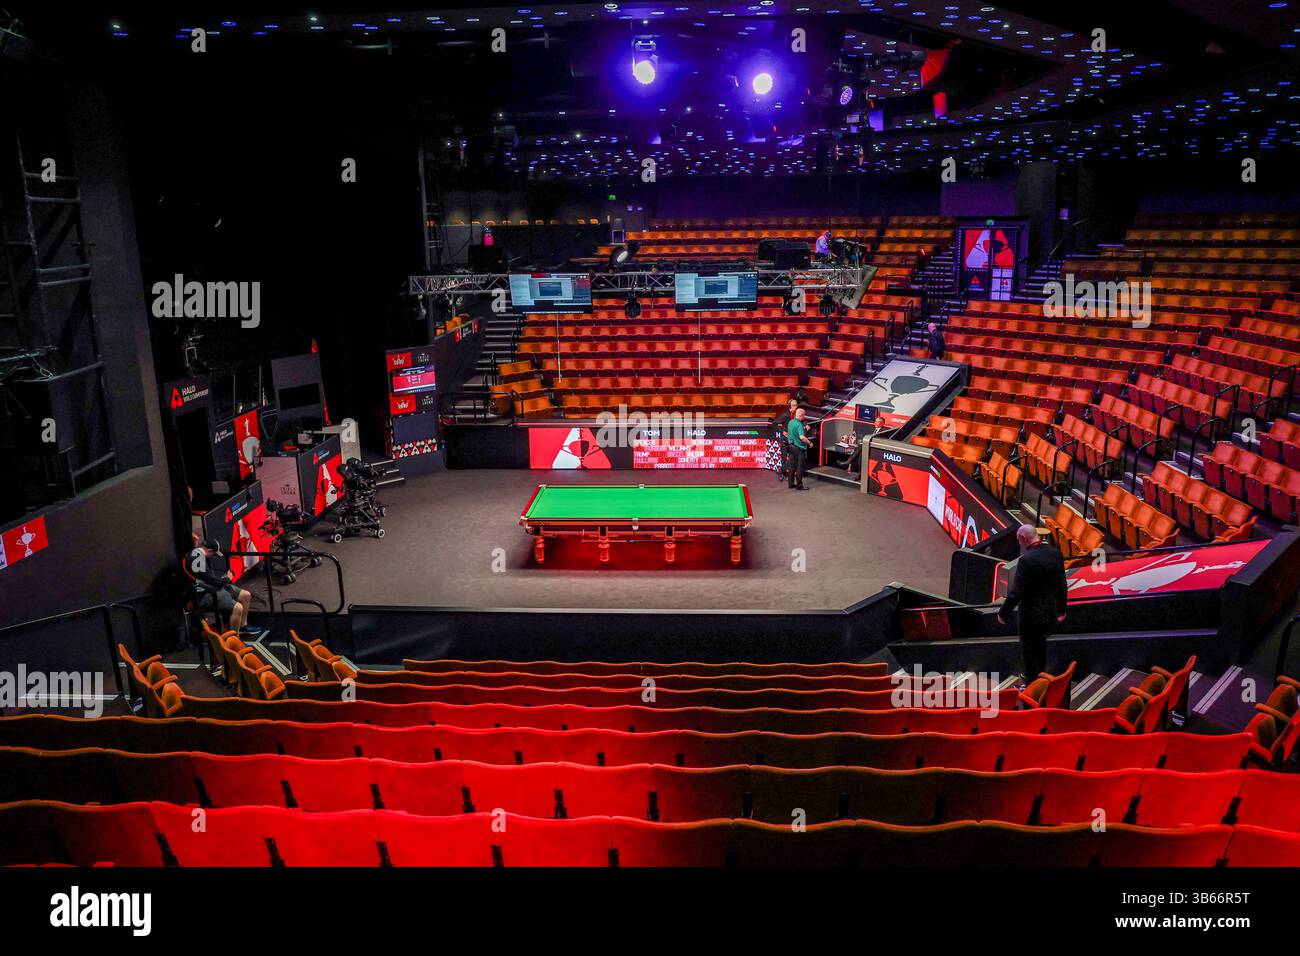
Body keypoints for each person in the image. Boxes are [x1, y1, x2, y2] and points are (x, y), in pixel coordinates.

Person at [997, 525, 1068, 687]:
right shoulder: (1055, 554)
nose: (1019, 544)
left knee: (1028, 650)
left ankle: (1030, 684)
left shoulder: (1026, 560)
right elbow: (1061, 584)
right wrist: (1062, 609)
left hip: (1030, 615)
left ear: (1024, 538)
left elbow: (1017, 592)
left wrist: (1003, 613)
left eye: (1019, 540)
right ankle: (1041, 678)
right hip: (1049, 612)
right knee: (1041, 646)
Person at [187, 539, 252, 633]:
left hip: (212, 587)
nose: (213, 556)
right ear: (209, 550)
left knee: (246, 595)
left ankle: (243, 626)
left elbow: (208, 578)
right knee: (238, 608)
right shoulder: (198, 560)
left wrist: (222, 580)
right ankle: (234, 639)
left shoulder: (198, 554)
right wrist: (227, 579)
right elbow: (210, 580)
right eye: (213, 553)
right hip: (205, 593)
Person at [773, 398, 799, 482]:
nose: (795, 407)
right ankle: (782, 473)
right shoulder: (785, 415)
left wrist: (806, 425)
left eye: (796, 405)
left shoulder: (797, 414)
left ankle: (780, 471)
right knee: (784, 458)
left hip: (793, 439)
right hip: (784, 439)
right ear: (789, 406)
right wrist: (782, 431)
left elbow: (802, 421)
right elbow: (774, 424)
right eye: (794, 405)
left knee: (793, 457)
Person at [787, 407, 812, 490]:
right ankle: (799, 485)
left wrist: (804, 428)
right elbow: (801, 437)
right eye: (804, 415)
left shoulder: (791, 422)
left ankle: (790, 483)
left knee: (792, 466)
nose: (805, 417)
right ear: (800, 415)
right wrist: (809, 443)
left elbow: (794, 432)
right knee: (799, 467)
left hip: (790, 446)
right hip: (798, 448)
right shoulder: (799, 424)